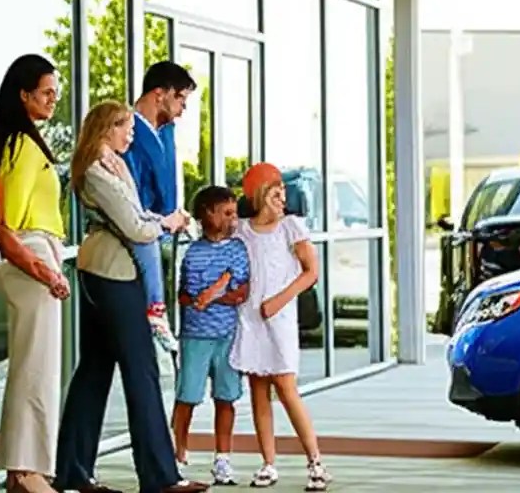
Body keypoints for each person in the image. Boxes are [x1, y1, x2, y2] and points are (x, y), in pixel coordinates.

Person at [52, 100, 208, 493]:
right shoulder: (97, 171)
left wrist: (158, 222)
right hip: (113, 276)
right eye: (126, 128)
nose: (131, 134)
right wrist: (169, 221)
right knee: (141, 372)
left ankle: (73, 471)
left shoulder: (110, 166)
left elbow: (136, 219)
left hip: (102, 275)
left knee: (93, 372)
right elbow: (136, 228)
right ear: (107, 128)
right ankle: (160, 478)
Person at [0, 54, 71, 493]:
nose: (54, 99)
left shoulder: (25, 141)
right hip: (32, 257)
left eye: (55, 92)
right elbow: (7, 229)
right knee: (35, 372)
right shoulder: (19, 143)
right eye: (47, 92)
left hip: (39, 256)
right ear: (23, 94)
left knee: (35, 369)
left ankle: (24, 473)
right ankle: (26, 471)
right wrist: (44, 271)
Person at [229, 163, 331, 490]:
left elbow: (310, 272)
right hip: (251, 318)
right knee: (259, 391)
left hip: (280, 318)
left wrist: (279, 300)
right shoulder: (242, 230)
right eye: (274, 193)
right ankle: (268, 463)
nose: (281, 199)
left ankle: (315, 461)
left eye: (283, 193)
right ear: (259, 195)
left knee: (287, 389)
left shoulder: (291, 227)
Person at [172, 185, 250, 485]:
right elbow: (184, 295)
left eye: (235, 214)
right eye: (227, 214)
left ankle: (223, 459)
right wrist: (204, 296)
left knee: (226, 397)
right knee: (187, 397)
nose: (233, 220)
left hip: (227, 335)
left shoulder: (238, 249)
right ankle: (178, 455)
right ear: (208, 214)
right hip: (194, 336)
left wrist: (214, 295)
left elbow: (241, 291)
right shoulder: (192, 253)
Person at [121, 61, 197, 354]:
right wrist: (163, 221)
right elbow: (131, 193)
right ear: (159, 93)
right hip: (141, 234)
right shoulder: (128, 132)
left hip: (165, 231)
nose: (183, 108)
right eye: (180, 98)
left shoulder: (166, 132)